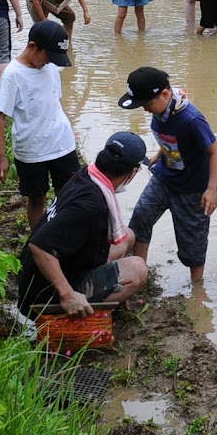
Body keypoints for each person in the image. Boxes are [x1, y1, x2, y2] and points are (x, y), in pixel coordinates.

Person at [16, 131, 150, 317]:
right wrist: (67, 294)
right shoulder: (89, 205)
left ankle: (103, 293)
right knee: (137, 269)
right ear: (133, 172)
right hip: (44, 295)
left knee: (128, 236)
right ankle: (75, 316)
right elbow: (39, 246)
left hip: (59, 266)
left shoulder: (87, 174)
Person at [120, 67, 217, 283]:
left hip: (192, 189)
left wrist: (212, 190)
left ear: (165, 94)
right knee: (141, 218)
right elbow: (173, 137)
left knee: (192, 244)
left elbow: (215, 150)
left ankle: (197, 289)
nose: (146, 110)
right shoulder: (162, 110)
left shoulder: (191, 119)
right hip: (164, 179)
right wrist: (161, 153)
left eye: (147, 105)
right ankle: (138, 275)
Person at [0, 21, 79, 229]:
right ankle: (37, 239)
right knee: (37, 198)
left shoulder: (50, 67)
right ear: (32, 46)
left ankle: (65, 235)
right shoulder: (13, 75)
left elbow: (53, 102)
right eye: (48, 56)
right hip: (32, 150)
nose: (50, 62)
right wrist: (0, 156)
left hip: (62, 144)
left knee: (68, 195)